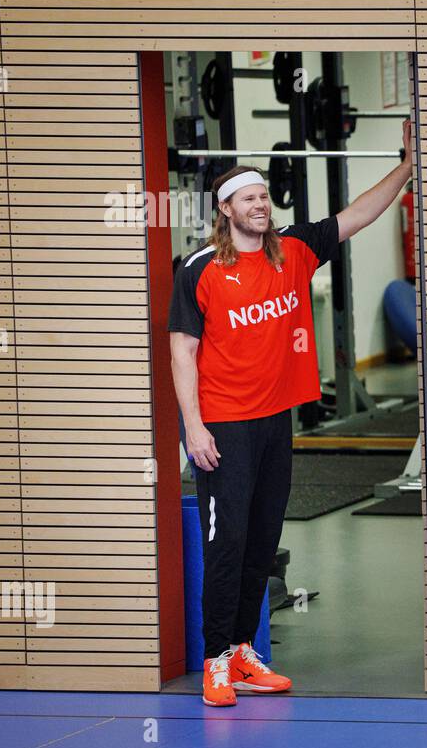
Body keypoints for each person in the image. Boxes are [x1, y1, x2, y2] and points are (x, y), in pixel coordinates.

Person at [168, 121, 414, 706]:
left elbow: (358, 215)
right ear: (225, 209)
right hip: (222, 425)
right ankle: (215, 663)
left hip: (277, 421)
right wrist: (194, 427)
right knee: (226, 545)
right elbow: (182, 349)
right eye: (249, 199)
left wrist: (408, 166)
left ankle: (244, 653)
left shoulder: (294, 251)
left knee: (261, 540)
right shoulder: (199, 268)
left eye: (263, 197)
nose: (261, 206)